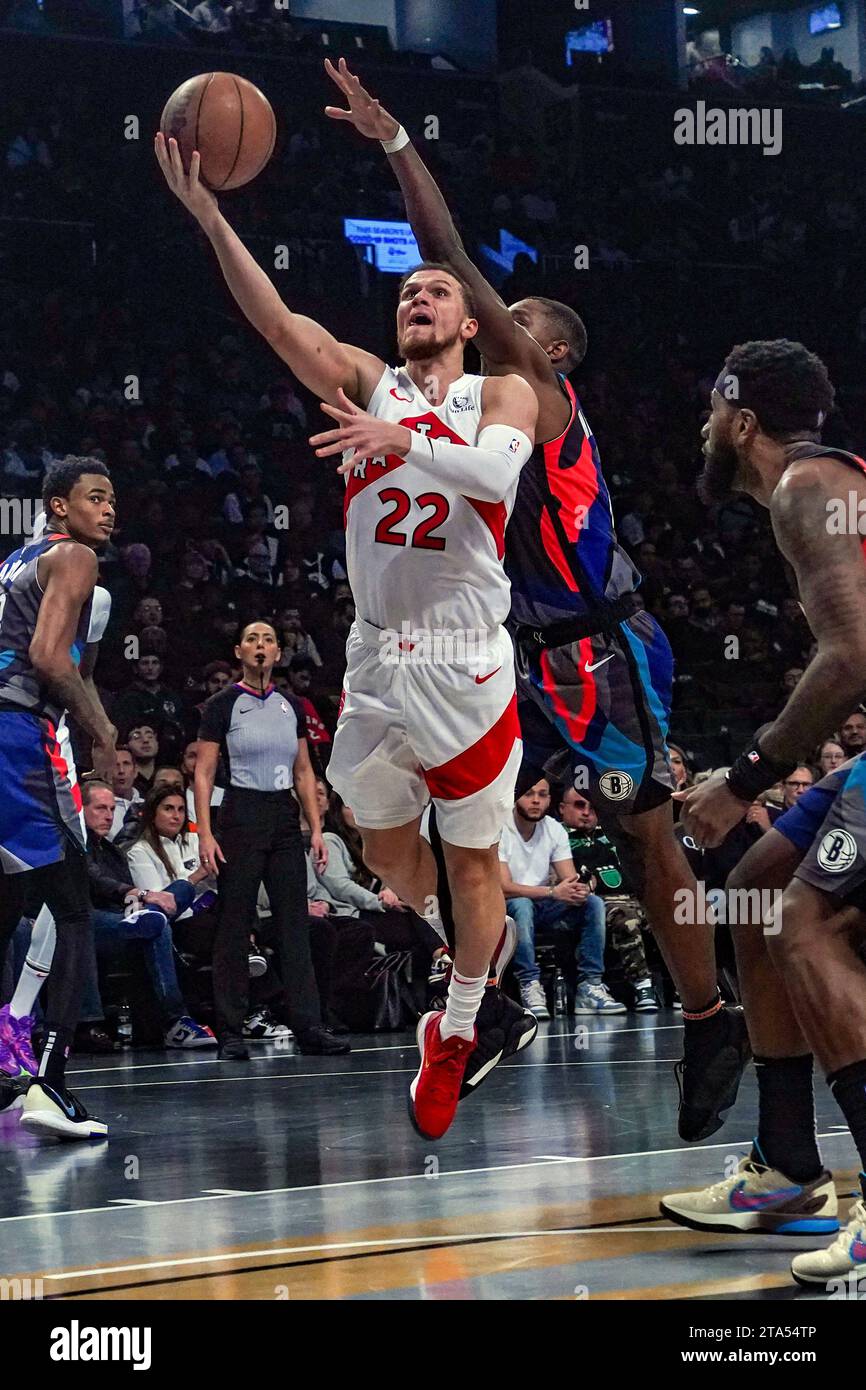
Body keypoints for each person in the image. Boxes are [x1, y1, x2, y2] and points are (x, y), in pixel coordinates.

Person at [323, 57, 746, 1143]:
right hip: (518, 649)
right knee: (437, 830)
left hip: (600, 649)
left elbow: (447, 254)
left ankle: (708, 1018)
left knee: (643, 838)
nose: (480, 330)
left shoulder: (535, 388)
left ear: (542, 349)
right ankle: (488, 996)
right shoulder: (467, 403)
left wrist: (395, 145)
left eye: (503, 322)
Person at [156, 130, 539, 1142]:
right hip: (375, 653)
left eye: (435, 291)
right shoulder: (365, 380)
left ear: (465, 316)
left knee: (468, 863)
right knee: (383, 854)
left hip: (463, 655)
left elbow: (496, 478)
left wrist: (402, 437)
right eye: (406, 291)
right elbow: (279, 321)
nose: (417, 297)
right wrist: (210, 218)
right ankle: (477, 974)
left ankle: (457, 1029)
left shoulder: (499, 391)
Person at [669, 339, 866, 1288]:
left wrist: (744, 779)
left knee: (804, 923)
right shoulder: (834, 482)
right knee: (754, 888)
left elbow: (852, 655)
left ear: (742, 421)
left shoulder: (802, 488)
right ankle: (790, 1167)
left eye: (712, 409)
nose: (703, 426)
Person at [0, 457, 117, 1138]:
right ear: (57, 508)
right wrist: (101, 731)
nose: (108, 511)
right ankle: (50, 1081)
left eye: (112, 500)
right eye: (94, 498)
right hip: (18, 737)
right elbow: (49, 657)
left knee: (9, 901)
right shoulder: (74, 559)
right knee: (73, 909)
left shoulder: (16, 562)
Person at [194, 619, 347, 1059]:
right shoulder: (222, 704)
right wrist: (205, 831)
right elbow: (204, 771)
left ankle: (308, 1024)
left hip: (282, 816)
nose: (260, 646)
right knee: (235, 923)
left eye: (268, 640)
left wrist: (316, 827)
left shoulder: (291, 704)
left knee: (294, 924)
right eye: (252, 640)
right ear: (240, 651)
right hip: (241, 812)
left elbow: (304, 771)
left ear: (278, 653)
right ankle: (231, 1030)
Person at [84, 781, 216, 1049]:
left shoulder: (111, 851)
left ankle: (150, 917)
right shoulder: (75, 844)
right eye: (100, 808)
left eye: (111, 809)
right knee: (157, 924)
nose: (108, 815)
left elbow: (128, 896)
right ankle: (176, 1020)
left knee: (176, 894)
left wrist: (141, 904)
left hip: (124, 916)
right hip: (87, 920)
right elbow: (96, 881)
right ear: (81, 809)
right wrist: (142, 895)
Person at [499, 778, 621, 1018]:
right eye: (529, 793)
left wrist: (580, 889)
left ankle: (590, 985)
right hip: (507, 908)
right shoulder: (500, 828)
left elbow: (569, 879)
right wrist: (553, 892)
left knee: (593, 903)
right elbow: (503, 888)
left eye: (542, 794)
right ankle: (529, 984)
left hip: (544, 906)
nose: (536, 800)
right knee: (522, 906)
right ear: (515, 797)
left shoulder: (553, 828)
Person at [560, 787, 658, 1012]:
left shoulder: (612, 834)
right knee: (625, 916)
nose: (586, 812)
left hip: (634, 896)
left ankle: (679, 987)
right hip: (594, 902)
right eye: (579, 805)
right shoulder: (557, 836)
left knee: (670, 915)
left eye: (592, 807)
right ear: (562, 809)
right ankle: (642, 985)